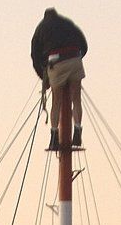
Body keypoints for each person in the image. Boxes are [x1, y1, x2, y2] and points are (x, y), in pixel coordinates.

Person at [30, 8, 88, 151]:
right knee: (76, 98)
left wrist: (44, 78)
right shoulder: (68, 23)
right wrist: (78, 57)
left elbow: (35, 55)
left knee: (56, 101)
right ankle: (78, 130)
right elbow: (84, 45)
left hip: (56, 63)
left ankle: (54, 136)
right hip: (75, 59)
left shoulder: (41, 28)